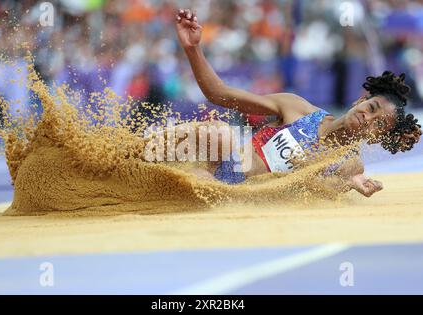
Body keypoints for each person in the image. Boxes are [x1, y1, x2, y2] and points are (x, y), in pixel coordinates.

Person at [171, 9, 421, 197]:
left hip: (235, 196)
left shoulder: (350, 164)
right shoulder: (297, 108)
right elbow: (220, 94)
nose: (368, 117)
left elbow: (312, 197)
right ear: (361, 100)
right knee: (217, 133)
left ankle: (163, 184)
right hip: (222, 169)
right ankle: (136, 158)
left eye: (379, 125)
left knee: (200, 177)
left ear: (377, 138)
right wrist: (193, 49)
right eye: (372, 108)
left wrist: (344, 185)